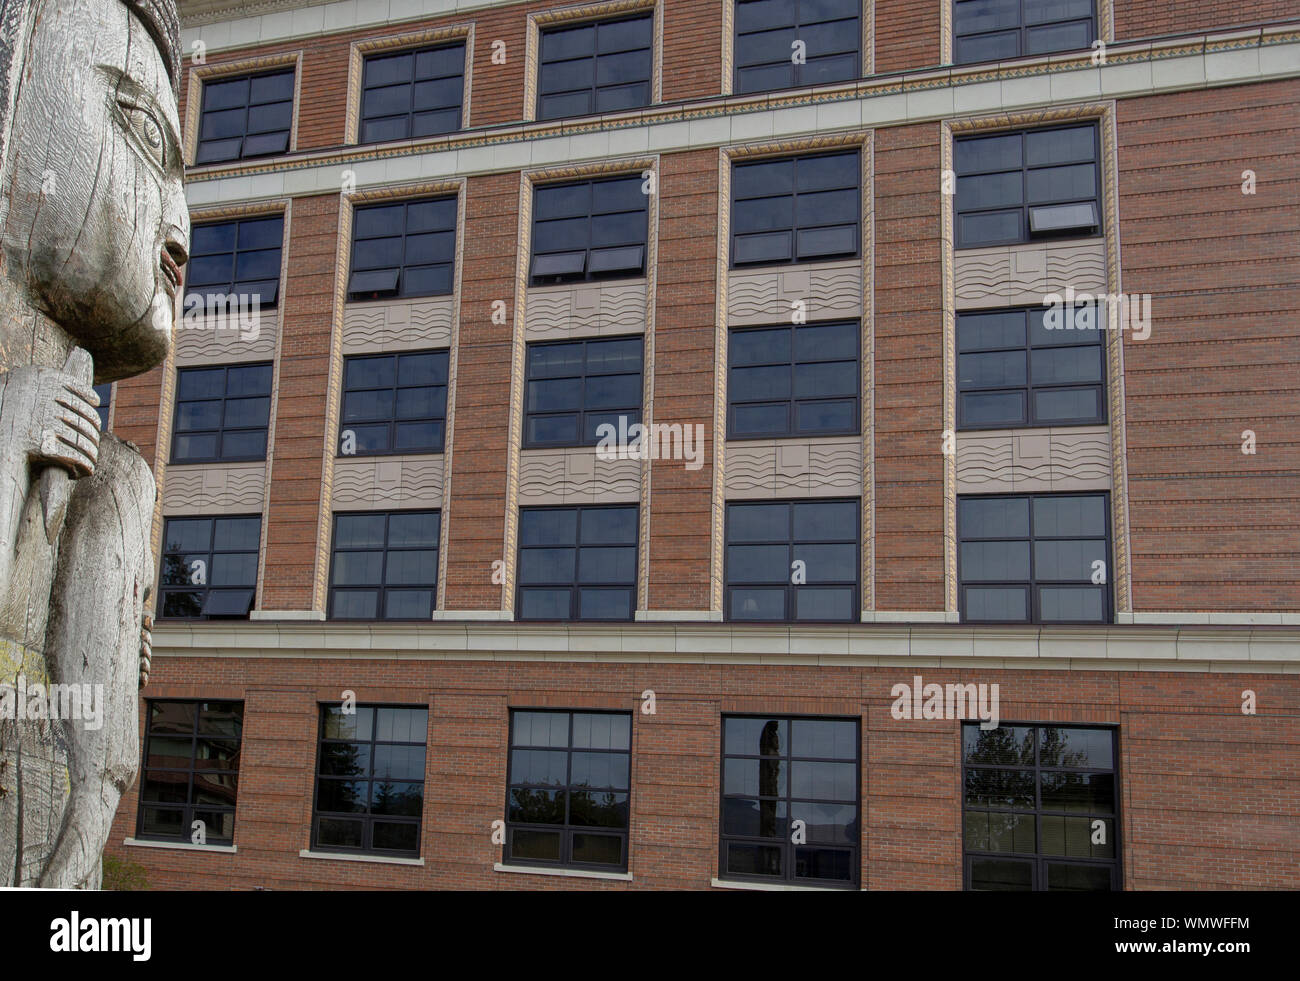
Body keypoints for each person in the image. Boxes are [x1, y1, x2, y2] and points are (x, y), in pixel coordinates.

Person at [0, 0, 187, 888]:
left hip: (46, 798)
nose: (181, 230)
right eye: (142, 131)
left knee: (124, 475)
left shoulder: (114, 473)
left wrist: (119, 627)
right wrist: (11, 437)